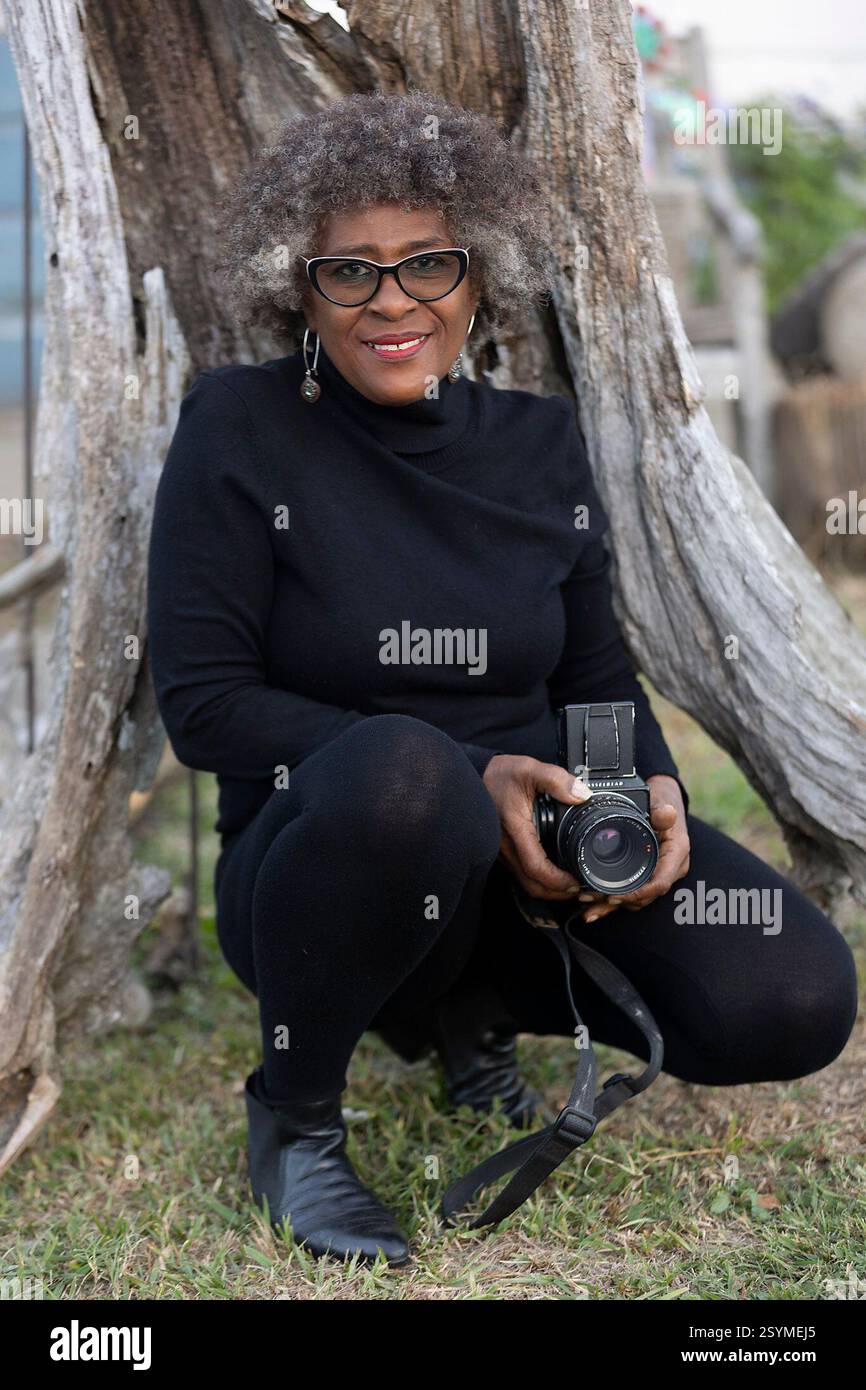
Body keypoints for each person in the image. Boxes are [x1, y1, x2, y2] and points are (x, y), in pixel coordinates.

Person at [146, 91, 857, 1269]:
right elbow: (206, 705)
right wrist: (473, 775)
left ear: (482, 277)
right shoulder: (240, 427)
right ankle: (295, 1117)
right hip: (327, 865)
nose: (392, 302)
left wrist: (644, 798)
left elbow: (592, 676)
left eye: (428, 264)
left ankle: (466, 1013)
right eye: (350, 272)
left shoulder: (537, 442)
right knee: (406, 774)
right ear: (299, 289)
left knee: (789, 994)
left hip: (534, 865)